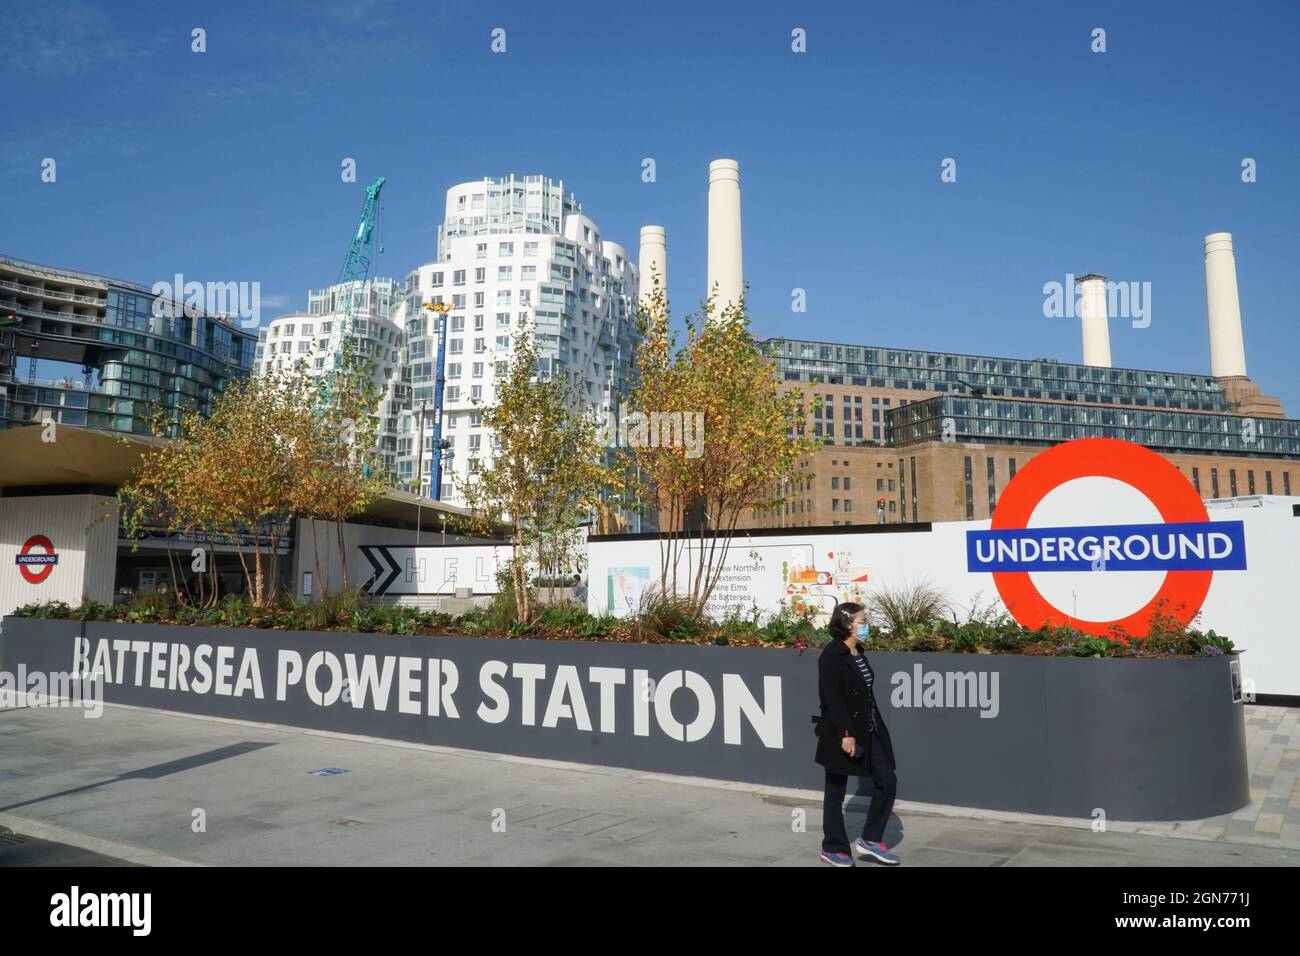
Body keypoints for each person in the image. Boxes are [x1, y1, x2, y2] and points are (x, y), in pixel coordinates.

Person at [813, 601, 899, 866]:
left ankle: (871, 839)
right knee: (835, 791)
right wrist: (846, 734)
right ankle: (833, 847)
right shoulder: (831, 655)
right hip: (841, 732)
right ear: (848, 624)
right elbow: (833, 699)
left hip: (868, 730)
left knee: (887, 781)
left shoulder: (858, 651)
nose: (866, 626)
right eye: (862, 622)